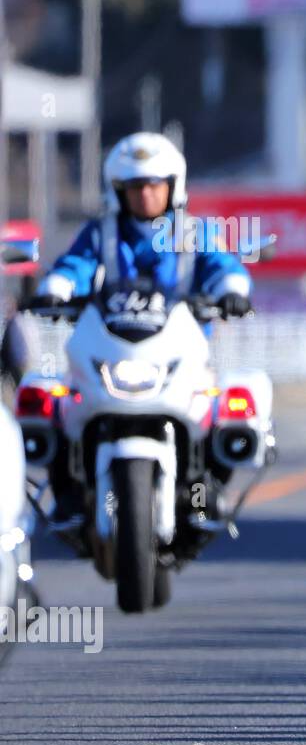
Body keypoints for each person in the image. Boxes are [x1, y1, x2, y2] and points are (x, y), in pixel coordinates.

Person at [31, 132, 253, 526]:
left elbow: (223, 266)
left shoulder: (192, 232)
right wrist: (55, 289)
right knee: (56, 404)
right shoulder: (102, 232)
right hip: (110, 349)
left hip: (182, 354)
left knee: (228, 409)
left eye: (154, 185)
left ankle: (205, 493)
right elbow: (75, 266)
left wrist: (232, 291)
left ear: (173, 187)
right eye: (135, 187)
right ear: (119, 191)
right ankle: (67, 494)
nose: (146, 195)